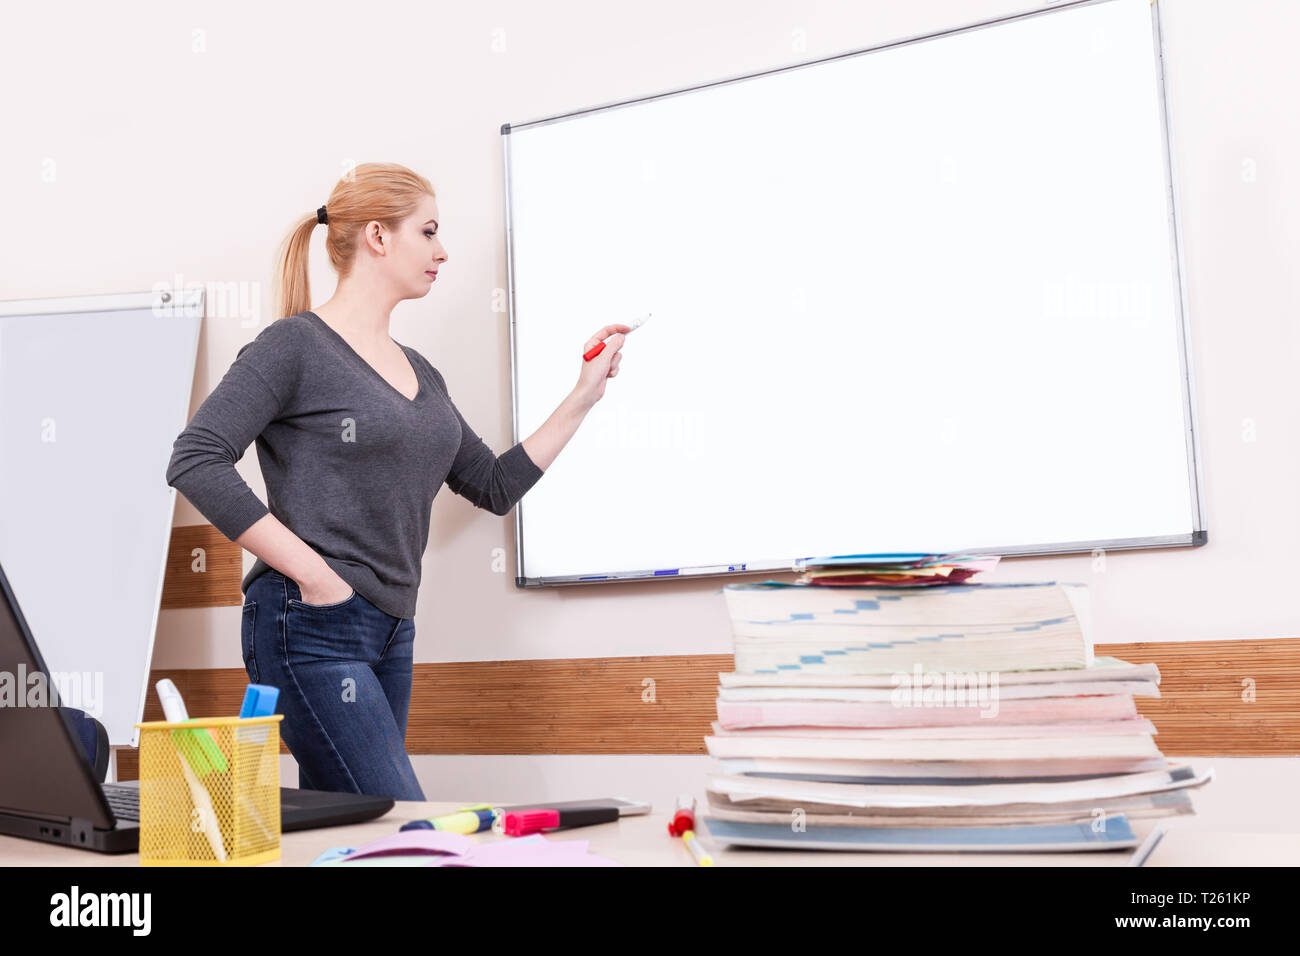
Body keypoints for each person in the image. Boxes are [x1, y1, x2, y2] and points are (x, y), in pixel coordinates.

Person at [165, 162, 628, 799]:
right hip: (309, 623)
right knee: (400, 823)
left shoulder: (422, 374)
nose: (442, 252)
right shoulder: (294, 347)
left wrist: (583, 396)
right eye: (429, 231)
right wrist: (316, 576)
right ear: (378, 237)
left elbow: (492, 485)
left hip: (391, 630)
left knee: (354, 829)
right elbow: (196, 459)